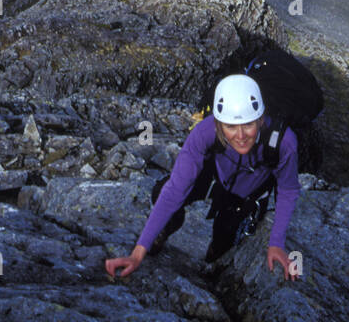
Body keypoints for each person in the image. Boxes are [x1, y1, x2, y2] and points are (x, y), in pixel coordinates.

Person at [104, 74, 300, 282]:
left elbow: (288, 190)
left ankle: (212, 266)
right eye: (231, 127)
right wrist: (137, 254)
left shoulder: (283, 142)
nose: (240, 136)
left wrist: (276, 243)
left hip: (248, 193)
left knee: (222, 248)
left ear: (260, 120)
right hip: (214, 177)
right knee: (161, 191)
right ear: (218, 124)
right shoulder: (204, 133)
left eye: (248, 125)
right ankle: (164, 230)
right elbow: (175, 190)